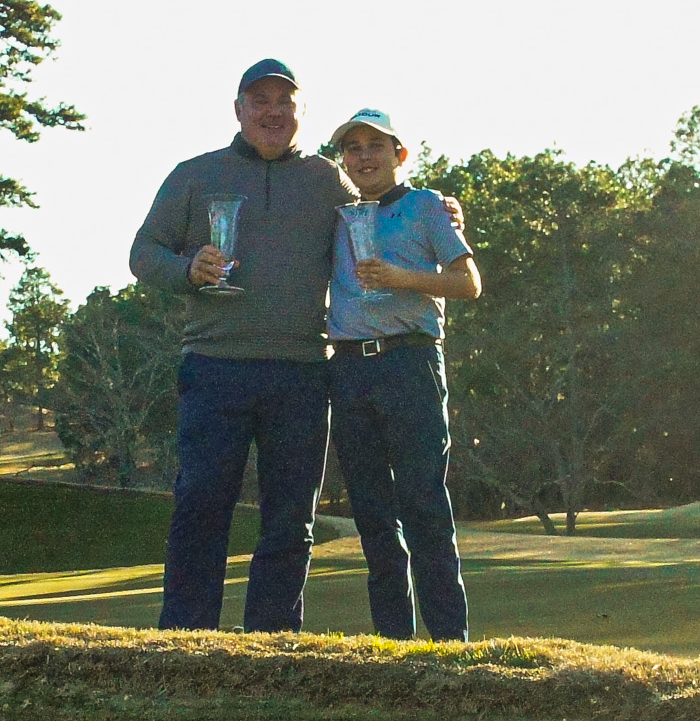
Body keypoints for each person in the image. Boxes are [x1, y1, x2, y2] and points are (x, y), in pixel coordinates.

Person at [128, 58, 355, 632]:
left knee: (290, 519)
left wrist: (438, 210)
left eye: (285, 102)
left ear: (302, 113)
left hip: (302, 370)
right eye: (261, 101)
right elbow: (143, 253)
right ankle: (186, 634)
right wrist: (187, 268)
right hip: (215, 366)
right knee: (202, 504)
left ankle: (272, 639)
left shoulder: (330, 180)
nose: (273, 112)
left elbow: (380, 217)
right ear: (238, 110)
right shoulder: (195, 173)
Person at [326, 107, 480, 641]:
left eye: (376, 145)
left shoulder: (426, 206)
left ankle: (448, 641)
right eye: (353, 147)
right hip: (347, 369)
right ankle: (393, 641)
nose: (364, 156)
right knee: (371, 512)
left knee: (422, 503)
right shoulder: (337, 213)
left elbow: (468, 284)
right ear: (342, 159)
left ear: (400, 154)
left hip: (410, 361)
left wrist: (402, 278)